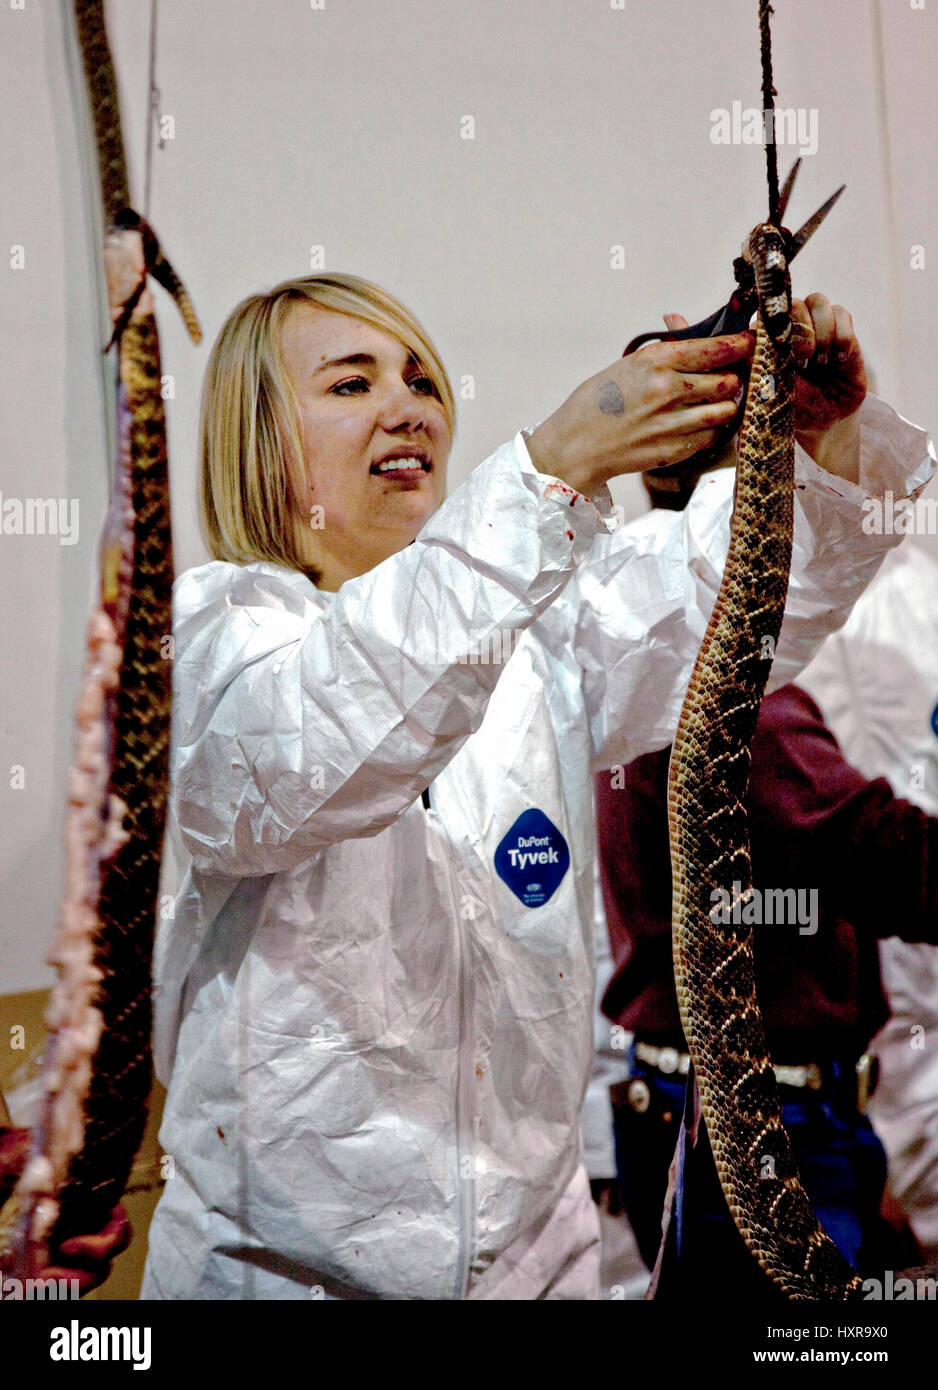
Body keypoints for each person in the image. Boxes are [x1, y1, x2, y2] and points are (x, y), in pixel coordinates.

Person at [139, 272, 932, 1299]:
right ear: (260, 442)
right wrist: (550, 466)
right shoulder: (214, 643)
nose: (406, 403)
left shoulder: (537, 632)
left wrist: (818, 446)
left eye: (419, 375)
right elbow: (315, 744)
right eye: (350, 382)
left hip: (535, 1270)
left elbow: (722, 592)